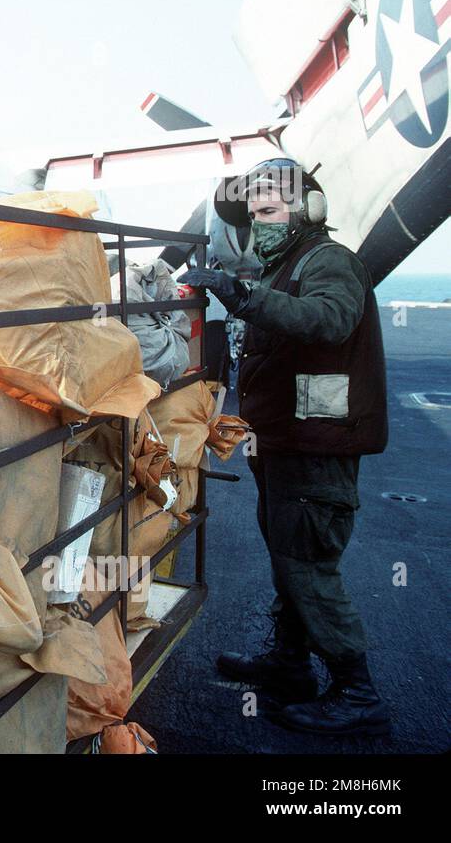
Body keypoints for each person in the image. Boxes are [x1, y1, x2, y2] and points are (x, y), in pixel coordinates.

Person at [180, 157, 390, 736]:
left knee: (309, 565)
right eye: (254, 215)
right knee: (288, 555)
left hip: (318, 446)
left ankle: (358, 693)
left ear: (307, 212)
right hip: (286, 441)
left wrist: (242, 297)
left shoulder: (329, 262)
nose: (260, 223)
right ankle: (290, 664)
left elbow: (330, 320)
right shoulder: (285, 266)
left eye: (270, 210)